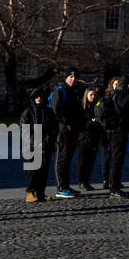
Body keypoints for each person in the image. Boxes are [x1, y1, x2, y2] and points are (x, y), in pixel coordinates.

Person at [49, 68, 85, 198]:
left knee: (68, 159)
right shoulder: (60, 90)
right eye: (71, 77)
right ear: (66, 77)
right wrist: (66, 123)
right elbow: (55, 111)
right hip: (63, 130)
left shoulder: (75, 91)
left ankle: (66, 185)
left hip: (73, 130)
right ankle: (61, 188)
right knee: (62, 159)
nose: (73, 79)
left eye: (75, 77)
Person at [20, 87, 58, 202]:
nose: (39, 98)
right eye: (36, 96)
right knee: (31, 171)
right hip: (31, 147)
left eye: (41, 96)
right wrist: (36, 142)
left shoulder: (49, 111)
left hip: (45, 146)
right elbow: (24, 130)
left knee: (43, 170)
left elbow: (54, 128)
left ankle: (41, 193)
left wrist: (46, 142)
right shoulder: (27, 112)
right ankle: (30, 193)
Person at [104, 76, 129, 197]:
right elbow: (121, 106)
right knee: (117, 159)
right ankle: (114, 187)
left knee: (117, 159)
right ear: (127, 85)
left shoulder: (115, 93)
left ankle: (114, 185)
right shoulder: (120, 94)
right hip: (117, 131)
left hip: (118, 130)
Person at [77, 86, 105, 191]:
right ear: (86, 96)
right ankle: (82, 181)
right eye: (91, 95)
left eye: (94, 95)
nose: (93, 97)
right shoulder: (82, 107)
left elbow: (100, 120)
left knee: (90, 162)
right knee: (82, 162)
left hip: (94, 138)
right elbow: (81, 122)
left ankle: (86, 181)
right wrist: (91, 122)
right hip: (83, 138)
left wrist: (95, 122)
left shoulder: (97, 106)